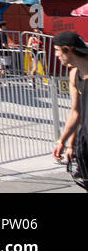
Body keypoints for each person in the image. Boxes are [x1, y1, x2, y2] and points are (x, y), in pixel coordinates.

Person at [51, 31, 88, 189]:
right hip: (85, 141)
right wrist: (65, 141)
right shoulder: (74, 75)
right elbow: (75, 112)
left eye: (58, 50)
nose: (56, 55)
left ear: (68, 49)